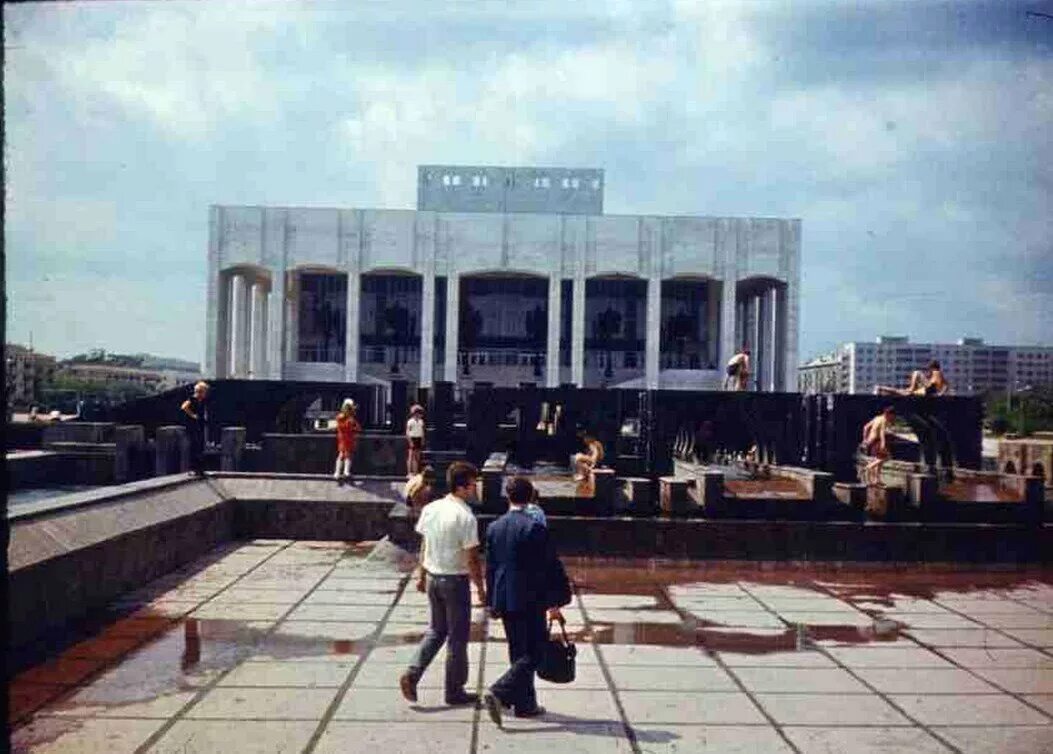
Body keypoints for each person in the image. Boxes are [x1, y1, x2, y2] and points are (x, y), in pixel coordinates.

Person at [482, 476, 571, 727]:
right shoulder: (535, 528)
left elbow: (491, 567)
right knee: (536, 651)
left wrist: (492, 601)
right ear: (531, 497)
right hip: (531, 598)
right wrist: (555, 602)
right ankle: (499, 691)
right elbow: (550, 568)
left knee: (517, 651)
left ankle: (525, 704)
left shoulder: (494, 527)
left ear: (508, 497)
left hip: (506, 598)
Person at [400, 461, 486, 707]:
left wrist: (421, 575)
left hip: (434, 579)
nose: (475, 489)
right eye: (473, 485)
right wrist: (480, 589)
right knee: (457, 638)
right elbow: (472, 559)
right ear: (463, 487)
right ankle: (454, 690)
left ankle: (412, 673)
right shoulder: (466, 516)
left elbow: (425, 544)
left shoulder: (432, 508)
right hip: (455, 582)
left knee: (437, 630)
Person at [180, 381, 210, 476]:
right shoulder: (193, 399)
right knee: (194, 447)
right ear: (200, 391)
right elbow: (184, 407)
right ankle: (194, 469)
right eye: (204, 391)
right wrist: (192, 415)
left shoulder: (202, 401)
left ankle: (200, 469)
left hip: (200, 426)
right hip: (193, 427)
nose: (205, 393)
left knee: (200, 447)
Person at [860, 406, 895, 485]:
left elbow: (865, 427)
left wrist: (864, 439)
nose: (892, 418)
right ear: (889, 414)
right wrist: (883, 444)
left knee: (879, 459)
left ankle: (876, 480)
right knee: (887, 457)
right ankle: (868, 467)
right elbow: (882, 433)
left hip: (871, 441)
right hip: (877, 441)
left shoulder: (877, 418)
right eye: (892, 416)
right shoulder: (884, 420)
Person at [876, 361, 949, 397]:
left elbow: (934, 383)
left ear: (932, 367)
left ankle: (911, 388)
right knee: (902, 392)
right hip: (928, 391)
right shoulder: (940, 374)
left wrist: (939, 393)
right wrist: (940, 394)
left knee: (917, 372)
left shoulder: (936, 372)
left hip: (930, 388)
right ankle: (881, 388)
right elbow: (946, 385)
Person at [333, 398, 362, 483]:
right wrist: (351, 423)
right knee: (343, 455)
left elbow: (358, 428)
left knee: (346, 455)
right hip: (344, 439)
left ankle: (344, 472)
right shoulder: (342, 417)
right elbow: (343, 427)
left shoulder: (350, 419)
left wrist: (352, 423)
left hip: (348, 439)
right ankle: (339, 472)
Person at [406, 404, 426, 477]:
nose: (420, 415)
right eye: (419, 413)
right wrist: (410, 441)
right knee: (411, 456)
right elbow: (408, 431)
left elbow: (422, 431)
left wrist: (423, 439)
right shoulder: (410, 421)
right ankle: (409, 472)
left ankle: (416, 472)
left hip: (418, 438)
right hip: (413, 438)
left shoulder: (421, 421)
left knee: (417, 456)